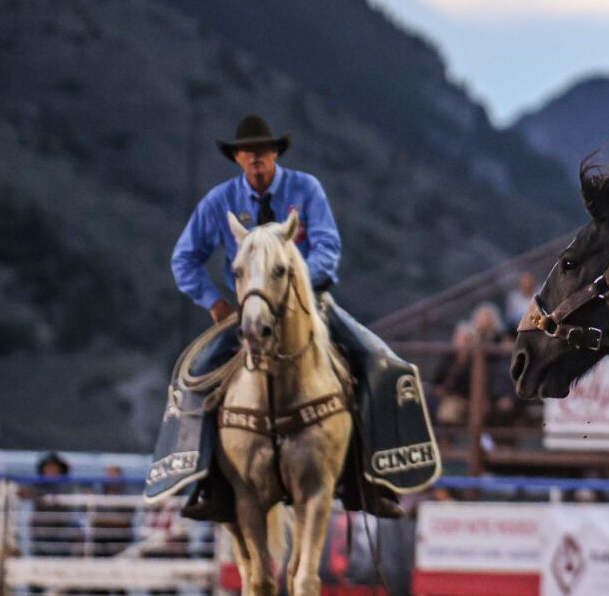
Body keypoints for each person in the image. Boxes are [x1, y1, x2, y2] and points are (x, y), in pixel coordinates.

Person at [165, 114, 432, 519]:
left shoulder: (306, 189)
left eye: (263, 151)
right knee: (194, 376)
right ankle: (205, 484)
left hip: (312, 304)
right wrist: (215, 303)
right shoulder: (219, 202)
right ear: (237, 158)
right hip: (249, 311)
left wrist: (301, 283)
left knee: (379, 362)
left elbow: (327, 246)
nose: (256, 159)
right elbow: (184, 257)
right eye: (247, 153)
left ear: (275, 153)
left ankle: (370, 479)